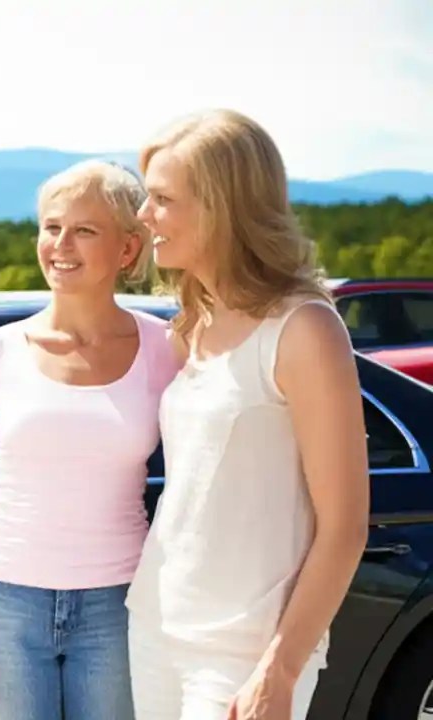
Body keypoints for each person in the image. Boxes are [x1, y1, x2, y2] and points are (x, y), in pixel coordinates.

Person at [124, 108, 370, 720]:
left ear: (220, 206)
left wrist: (280, 667)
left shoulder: (304, 329)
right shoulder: (193, 325)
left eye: (161, 198)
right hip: (157, 626)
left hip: (246, 651)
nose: (143, 214)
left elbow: (345, 527)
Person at [0, 159, 180, 719]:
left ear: (127, 250)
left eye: (84, 229)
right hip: (4, 604)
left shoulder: (166, 350)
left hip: (119, 604)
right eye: (51, 227)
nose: (60, 244)